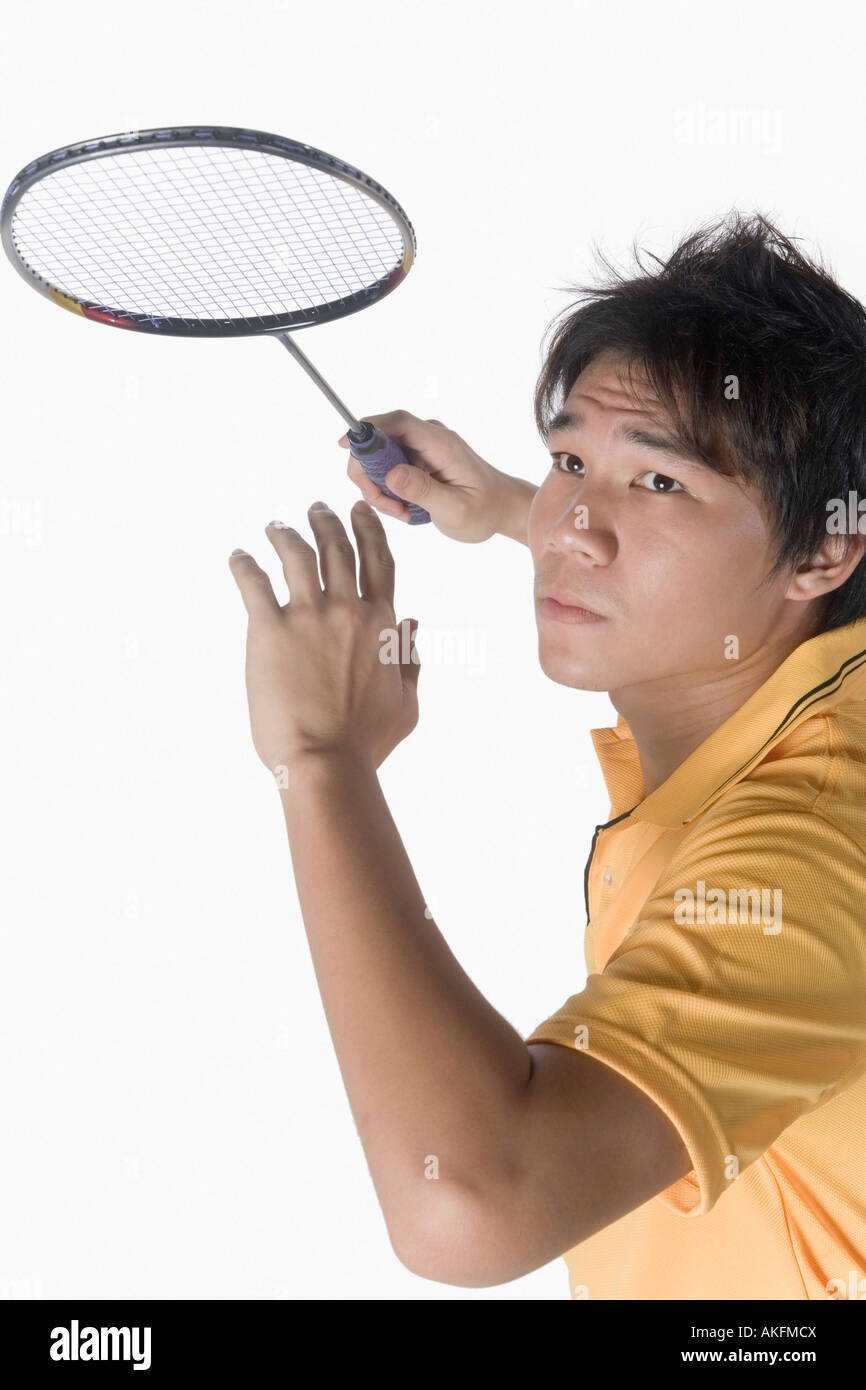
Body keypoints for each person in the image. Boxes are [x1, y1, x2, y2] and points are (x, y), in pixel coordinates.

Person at [228, 210, 866, 1299]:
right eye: (570, 456)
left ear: (818, 552)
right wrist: (504, 506)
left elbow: (467, 1203)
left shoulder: (801, 857)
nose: (576, 525)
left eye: (656, 481)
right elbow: (629, 527)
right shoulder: (808, 686)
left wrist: (321, 760)